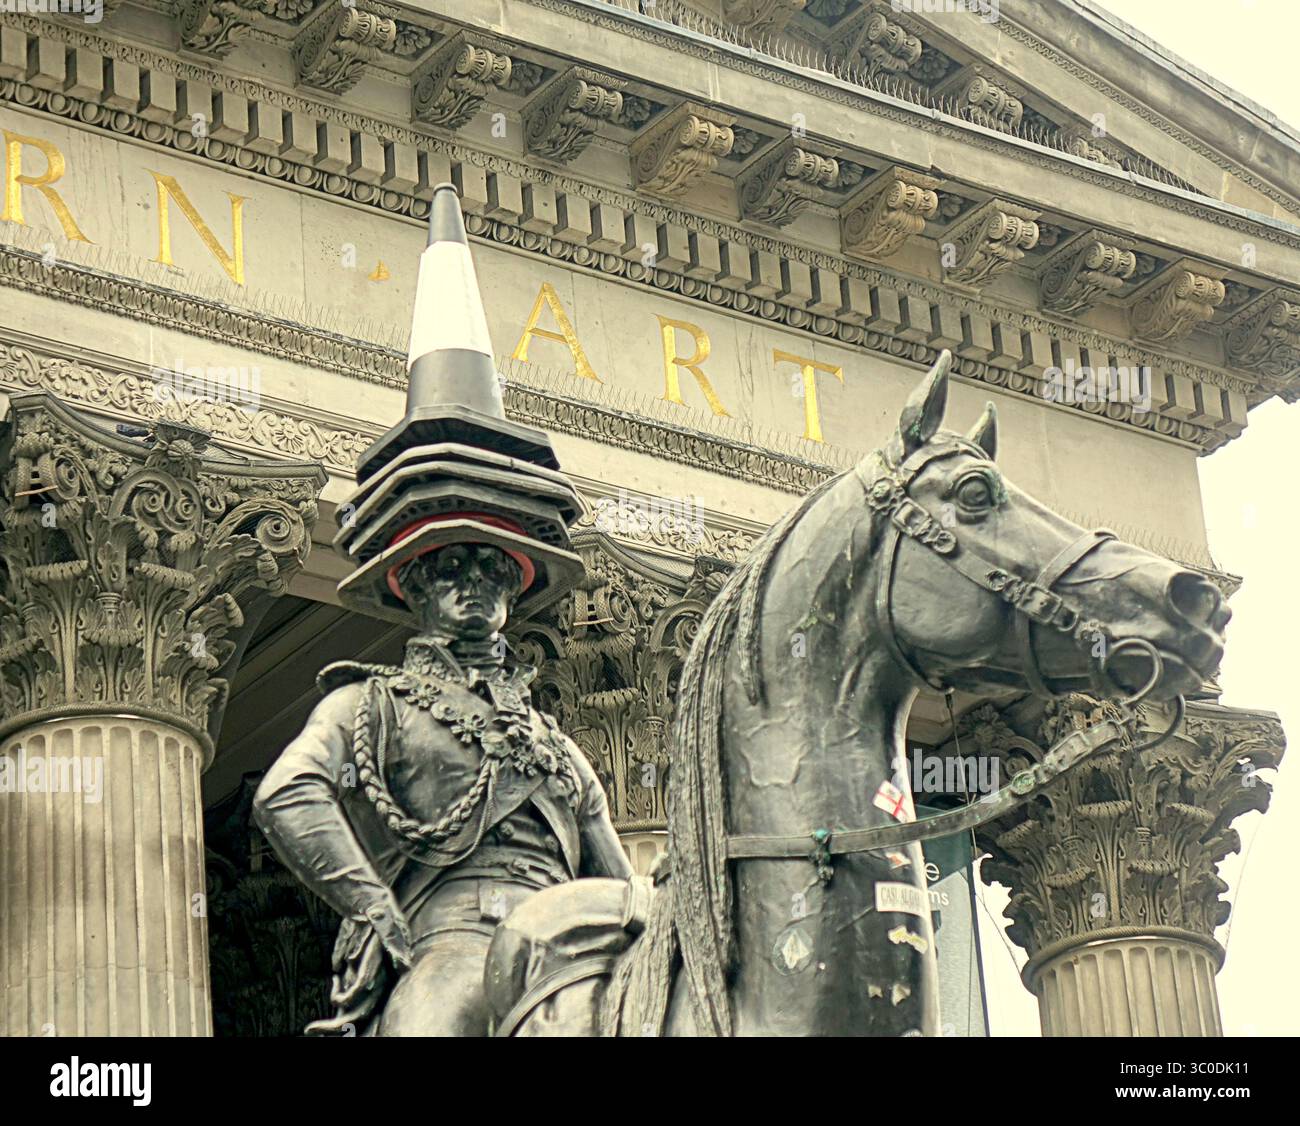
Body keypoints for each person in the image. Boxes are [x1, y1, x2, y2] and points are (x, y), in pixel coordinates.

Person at [254, 533, 634, 1036]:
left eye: (494, 568)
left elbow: (620, 889)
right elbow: (287, 792)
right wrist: (369, 903)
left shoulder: (557, 744)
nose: (476, 580)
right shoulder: (373, 703)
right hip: (456, 938)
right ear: (416, 588)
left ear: (512, 590)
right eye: (452, 565)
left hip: (568, 942)